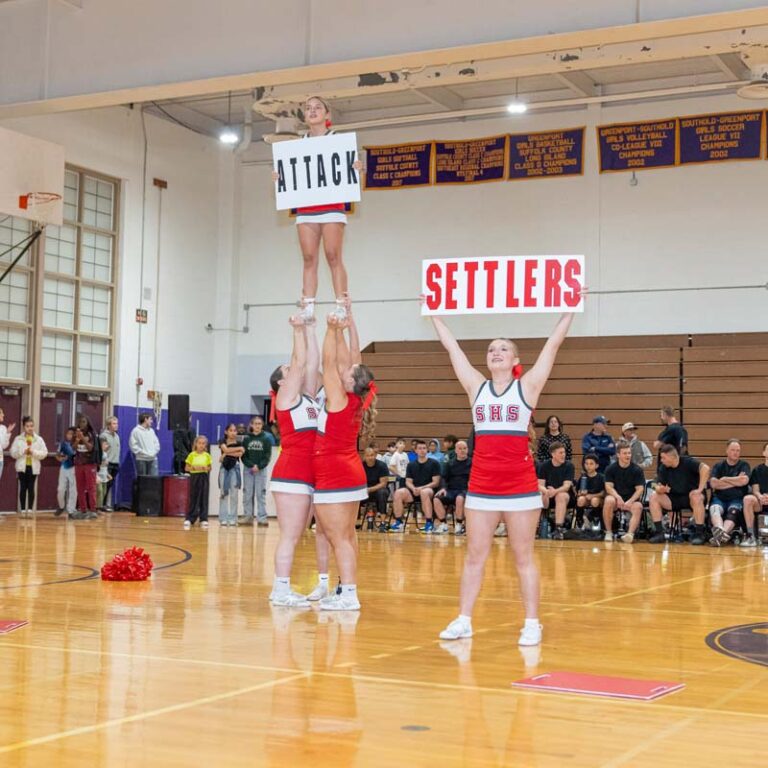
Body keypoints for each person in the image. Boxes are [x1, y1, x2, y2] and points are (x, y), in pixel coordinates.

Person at [430, 302, 578, 647]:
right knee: (474, 556)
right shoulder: (475, 387)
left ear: (514, 360)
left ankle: (532, 623)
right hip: (481, 487)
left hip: (520, 487)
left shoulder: (526, 387)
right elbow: (452, 348)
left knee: (523, 557)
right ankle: (464, 619)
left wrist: (571, 309)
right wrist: (434, 313)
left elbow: (551, 347)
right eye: (491, 349)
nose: (495, 352)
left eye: (503, 349)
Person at [274, 96, 361, 322]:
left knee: (333, 255)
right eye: (308, 108)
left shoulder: (338, 141)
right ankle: (308, 306)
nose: (312, 111)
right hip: (306, 208)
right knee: (308, 257)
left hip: (332, 207)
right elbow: (292, 174)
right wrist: (279, 177)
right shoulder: (297, 145)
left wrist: (358, 169)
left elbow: (351, 175)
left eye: (317, 107)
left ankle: (342, 305)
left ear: (327, 114)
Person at [311, 310, 376, 611]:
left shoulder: (339, 398)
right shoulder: (358, 398)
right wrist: (347, 325)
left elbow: (328, 363)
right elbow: (352, 360)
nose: (344, 370)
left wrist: (331, 329)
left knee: (339, 538)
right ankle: (346, 588)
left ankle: (349, 594)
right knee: (346, 536)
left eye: (348, 372)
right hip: (349, 471)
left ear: (351, 381)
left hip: (335, 472)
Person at [269, 315, 330, 607]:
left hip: (309, 474)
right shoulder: (285, 399)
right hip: (292, 474)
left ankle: (285, 588)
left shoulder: (305, 398)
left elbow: (311, 362)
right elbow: (300, 361)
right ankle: (280, 589)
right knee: (290, 536)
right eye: (288, 371)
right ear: (282, 382)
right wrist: (296, 331)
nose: (294, 371)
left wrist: (311, 330)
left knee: (299, 534)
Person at [649, 444, 709, 545]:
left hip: (691, 497)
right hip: (675, 498)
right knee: (654, 497)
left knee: (696, 497)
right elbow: (654, 484)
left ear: (672, 457)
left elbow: (705, 468)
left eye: (664, 457)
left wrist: (700, 488)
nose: (661, 460)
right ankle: (659, 533)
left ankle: (699, 533)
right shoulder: (663, 468)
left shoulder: (688, 462)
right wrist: (659, 489)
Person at [390, 439, 442, 533]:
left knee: (424, 492)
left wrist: (421, 488)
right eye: (420, 448)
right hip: (414, 491)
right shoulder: (411, 465)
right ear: (416, 450)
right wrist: (413, 488)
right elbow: (408, 481)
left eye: (424, 448)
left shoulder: (434, 463)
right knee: (398, 492)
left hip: (429, 490)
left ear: (427, 450)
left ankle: (429, 523)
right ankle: (399, 522)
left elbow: (436, 482)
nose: (422, 450)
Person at [708, 439, 751, 547]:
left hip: (736, 499)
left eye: (738, 450)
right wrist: (736, 481)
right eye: (733, 450)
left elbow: (744, 481)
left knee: (733, 512)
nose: (736, 452)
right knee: (715, 509)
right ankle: (722, 533)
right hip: (719, 498)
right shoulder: (719, 466)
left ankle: (719, 535)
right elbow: (713, 484)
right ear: (727, 451)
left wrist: (725, 479)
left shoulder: (744, 465)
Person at [603, 440, 645, 542]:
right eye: (625, 453)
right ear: (618, 455)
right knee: (609, 500)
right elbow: (608, 487)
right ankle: (608, 532)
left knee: (638, 506)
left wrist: (630, 501)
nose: (628, 455)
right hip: (616, 499)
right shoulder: (610, 469)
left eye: (629, 453)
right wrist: (618, 497)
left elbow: (640, 489)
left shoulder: (637, 470)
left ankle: (630, 534)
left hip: (631, 499)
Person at [10, 417, 47, 517]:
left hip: (33, 467)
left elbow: (44, 453)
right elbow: (12, 453)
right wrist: (23, 452)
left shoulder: (39, 439)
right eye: (27, 426)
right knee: (23, 487)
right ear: (23, 427)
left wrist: (33, 452)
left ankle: (30, 510)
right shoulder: (18, 439)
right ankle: (22, 510)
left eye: (31, 426)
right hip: (22, 467)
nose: (30, 428)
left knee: (31, 488)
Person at [537, 442, 575, 540]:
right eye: (560, 453)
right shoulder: (544, 465)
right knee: (539, 495)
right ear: (553, 454)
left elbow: (566, 486)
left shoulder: (569, 466)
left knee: (561, 495)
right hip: (549, 494)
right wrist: (546, 491)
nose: (563, 455)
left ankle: (558, 529)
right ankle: (535, 528)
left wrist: (555, 491)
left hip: (565, 496)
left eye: (564, 452)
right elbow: (540, 484)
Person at [434, 439, 471, 535]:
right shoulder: (450, 463)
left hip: (465, 490)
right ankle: (443, 525)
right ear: (455, 450)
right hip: (451, 490)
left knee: (459, 498)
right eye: (460, 448)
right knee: (436, 499)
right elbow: (443, 478)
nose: (462, 450)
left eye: (464, 448)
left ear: (467, 449)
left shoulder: (472, 463)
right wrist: (443, 488)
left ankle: (459, 525)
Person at [241, 415, 273, 527]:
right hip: (248, 470)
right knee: (248, 493)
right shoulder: (246, 439)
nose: (257, 426)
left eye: (259, 424)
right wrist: (251, 465)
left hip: (261, 470)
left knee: (261, 494)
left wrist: (259, 466)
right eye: (255, 424)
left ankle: (262, 518)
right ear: (252, 425)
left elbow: (267, 456)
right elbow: (243, 456)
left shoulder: (266, 439)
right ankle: (248, 516)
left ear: (262, 425)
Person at [742, 442, 768, 548]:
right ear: (763, 453)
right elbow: (755, 489)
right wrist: (760, 496)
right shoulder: (757, 470)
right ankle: (750, 536)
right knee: (748, 499)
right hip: (761, 501)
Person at [218, 423, 244, 527]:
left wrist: (225, 454)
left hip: (235, 468)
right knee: (224, 493)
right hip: (224, 468)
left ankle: (233, 518)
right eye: (230, 430)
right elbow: (226, 449)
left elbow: (240, 454)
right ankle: (223, 518)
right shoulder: (222, 441)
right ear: (226, 432)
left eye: (234, 430)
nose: (233, 432)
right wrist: (226, 452)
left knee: (234, 494)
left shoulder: (240, 442)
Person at [184, 435, 212, 529]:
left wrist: (205, 468)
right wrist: (194, 468)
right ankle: (190, 518)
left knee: (203, 497)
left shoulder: (207, 455)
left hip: (203, 477)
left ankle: (203, 519)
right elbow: (186, 467)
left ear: (205, 445)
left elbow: (209, 468)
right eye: (199, 443)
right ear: (196, 444)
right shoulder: (191, 455)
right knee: (194, 497)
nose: (201, 445)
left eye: (203, 443)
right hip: (194, 477)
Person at [362, 445, 389, 531]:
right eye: (368, 455)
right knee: (352, 494)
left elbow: (383, 483)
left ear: (375, 455)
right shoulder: (360, 466)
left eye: (372, 455)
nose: (370, 457)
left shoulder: (382, 465)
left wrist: (369, 489)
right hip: (363, 491)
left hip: (377, 490)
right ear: (364, 456)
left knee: (382, 492)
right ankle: (351, 523)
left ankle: (383, 523)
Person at [73, 423, 98, 515]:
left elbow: (90, 448)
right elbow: (73, 448)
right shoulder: (76, 434)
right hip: (79, 463)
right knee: (80, 487)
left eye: (83, 422)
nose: (81, 424)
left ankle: (93, 509)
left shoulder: (91, 434)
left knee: (91, 487)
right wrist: (77, 440)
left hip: (90, 464)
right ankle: (83, 509)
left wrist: (83, 438)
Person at [575, 453, 605, 527]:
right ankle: (579, 520)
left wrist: (592, 495)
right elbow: (577, 491)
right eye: (586, 463)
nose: (588, 466)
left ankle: (596, 518)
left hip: (598, 499)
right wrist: (580, 493)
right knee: (581, 499)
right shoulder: (583, 477)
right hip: (586, 499)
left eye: (591, 464)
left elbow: (603, 493)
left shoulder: (601, 477)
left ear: (596, 465)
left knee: (594, 500)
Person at [55, 427, 77, 518]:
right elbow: (57, 455)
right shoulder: (63, 444)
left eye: (72, 434)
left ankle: (71, 510)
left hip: (74, 468)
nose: (69, 436)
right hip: (64, 468)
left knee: (73, 490)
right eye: (68, 434)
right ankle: (61, 506)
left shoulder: (77, 445)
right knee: (60, 489)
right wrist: (60, 458)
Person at [99, 416, 121, 511]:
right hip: (107, 464)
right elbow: (102, 449)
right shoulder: (103, 436)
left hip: (115, 462)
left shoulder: (117, 436)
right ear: (108, 425)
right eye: (114, 423)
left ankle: (106, 503)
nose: (116, 425)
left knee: (110, 485)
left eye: (117, 423)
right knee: (104, 485)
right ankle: (101, 504)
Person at [0, 407, 16, 488]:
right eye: (1, 413)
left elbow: (3, 445)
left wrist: (8, 433)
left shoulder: (3, 428)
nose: (3, 415)